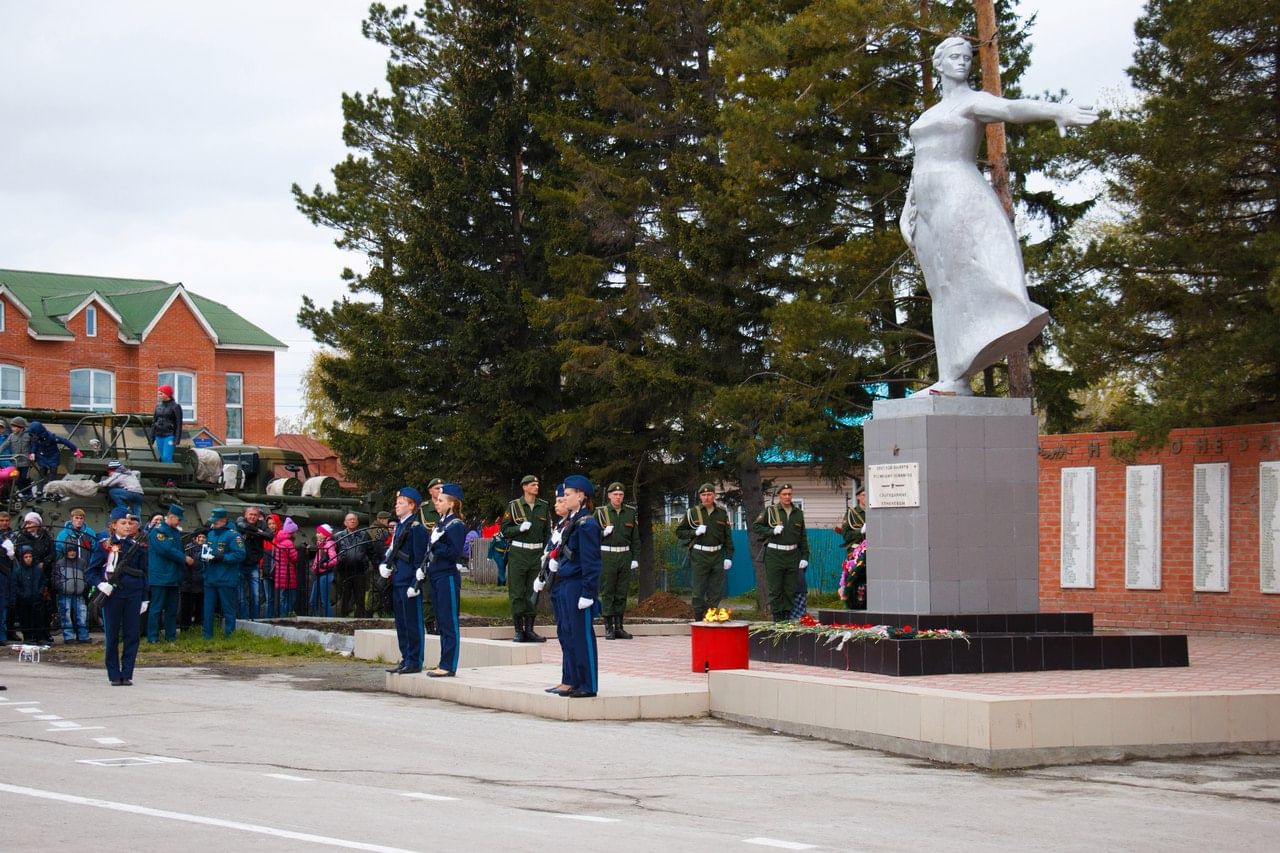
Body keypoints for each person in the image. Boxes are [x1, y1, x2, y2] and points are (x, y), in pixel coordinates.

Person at [899, 35, 1098, 395]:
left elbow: (1012, 109)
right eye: (954, 57)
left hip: (957, 194)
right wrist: (907, 208)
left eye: (967, 57)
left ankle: (963, 366)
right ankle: (950, 378)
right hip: (924, 203)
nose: (962, 62)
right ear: (939, 64)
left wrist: (1055, 111)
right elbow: (919, 163)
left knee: (960, 281)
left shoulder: (974, 101)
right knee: (939, 288)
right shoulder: (928, 115)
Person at [551, 475, 602, 698]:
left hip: (578, 584)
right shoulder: (572, 522)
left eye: (569, 495)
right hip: (565, 583)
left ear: (581, 496)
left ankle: (588, 684)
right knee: (568, 633)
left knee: (582, 635)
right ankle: (571, 679)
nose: (565, 498)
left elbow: (591, 561)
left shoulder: (587, 523)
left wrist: (588, 592)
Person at [87, 507, 149, 685]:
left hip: (133, 594)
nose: (127, 526)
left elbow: (144, 572)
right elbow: (91, 572)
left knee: (132, 635)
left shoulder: (138, 546)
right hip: (112, 595)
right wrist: (101, 584)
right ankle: (114, 674)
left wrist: (145, 596)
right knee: (112, 635)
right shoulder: (104, 546)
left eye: (130, 523)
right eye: (123, 523)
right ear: (113, 525)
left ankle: (127, 673)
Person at [379, 487, 429, 674]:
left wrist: (416, 583)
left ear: (411, 505)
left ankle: (415, 660)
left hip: (409, 580)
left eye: (401, 503)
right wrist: (384, 564)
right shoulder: (400, 526)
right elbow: (392, 551)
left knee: (412, 622)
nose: (396, 506)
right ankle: (405, 657)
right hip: (398, 578)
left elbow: (419, 558)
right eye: (397, 503)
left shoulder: (417, 529)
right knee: (401, 622)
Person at [501, 474, 549, 643]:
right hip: (518, 554)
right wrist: (519, 528)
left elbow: (547, 534)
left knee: (533, 591)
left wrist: (546, 553)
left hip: (536, 554)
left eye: (537, 484)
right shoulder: (513, 507)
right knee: (517, 592)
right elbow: (505, 531)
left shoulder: (543, 506)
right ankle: (518, 630)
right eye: (533, 484)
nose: (536, 487)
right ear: (525, 487)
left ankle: (530, 629)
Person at [423, 483, 466, 677]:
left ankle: (448, 665)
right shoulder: (441, 523)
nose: (437, 504)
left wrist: (435, 545)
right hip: (436, 574)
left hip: (447, 575)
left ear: (451, 503)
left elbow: (453, 552)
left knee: (449, 622)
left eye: (441, 501)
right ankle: (443, 661)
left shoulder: (455, 524)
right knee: (441, 620)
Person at [675, 484, 734, 620]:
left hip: (717, 555)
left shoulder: (722, 513)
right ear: (700, 496)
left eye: (709, 494)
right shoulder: (692, 512)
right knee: (698, 591)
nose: (706, 497)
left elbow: (727, 538)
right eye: (703, 495)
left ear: (714, 495)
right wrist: (694, 532)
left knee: (716, 591)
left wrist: (729, 557)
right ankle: (697, 620)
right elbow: (679, 532)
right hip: (699, 555)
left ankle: (710, 618)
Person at [534, 484, 572, 693]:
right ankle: (566, 678)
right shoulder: (560, 525)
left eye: (561, 500)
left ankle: (570, 679)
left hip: (566, 581)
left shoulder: (573, 525)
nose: (557, 504)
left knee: (569, 633)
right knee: (563, 633)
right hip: (556, 583)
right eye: (557, 500)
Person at [752, 483, 809, 622]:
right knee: (776, 590)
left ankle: (787, 620)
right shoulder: (770, 511)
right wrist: (771, 531)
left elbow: (802, 537)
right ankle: (777, 621)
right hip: (774, 554)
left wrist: (805, 556)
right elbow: (756, 526)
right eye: (784, 494)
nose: (787, 496)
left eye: (790, 493)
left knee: (790, 590)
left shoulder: (798, 513)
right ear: (779, 495)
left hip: (792, 555)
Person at [596, 482, 639, 640]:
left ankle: (619, 626)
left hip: (624, 555)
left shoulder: (630, 512)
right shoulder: (600, 513)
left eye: (621, 495)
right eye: (615, 494)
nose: (618, 497)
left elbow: (635, 538)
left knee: (621, 592)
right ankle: (608, 626)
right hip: (607, 555)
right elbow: (591, 536)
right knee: (608, 592)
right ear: (609, 495)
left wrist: (635, 558)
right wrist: (602, 533)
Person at [146, 503, 190, 643]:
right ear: (171, 517)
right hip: (160, 577)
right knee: (156, 608)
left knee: (172, 610)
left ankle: (170, 636)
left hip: (173, 577)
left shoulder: (175, 532)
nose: (180, 522)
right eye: (179, 519)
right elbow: (166, 550)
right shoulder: (158, 532)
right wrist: (184, 559)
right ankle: (153, 637)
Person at [201, 508, 245, 639]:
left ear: (223, 520)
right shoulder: (211, 534)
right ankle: (207, 635)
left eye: (216, 522)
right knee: (207, 609)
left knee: (228, 609)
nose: (213, 524)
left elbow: (240, 554)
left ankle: (229, 635)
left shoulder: (233, 535)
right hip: (210, 577)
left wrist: (223, 557)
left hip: (226, 577)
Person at [14, 511, 56, 643]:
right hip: (27, 571)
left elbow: (52, 553)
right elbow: (19, 553)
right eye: (26, 522)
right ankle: (29, 634)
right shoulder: (22, 537)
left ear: (37, 524)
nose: (28, 525)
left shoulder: (45, 537)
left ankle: (44, 632)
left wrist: (45, 562)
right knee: (26, 610)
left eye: (31, 522)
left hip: (43, 571)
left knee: (45, 606)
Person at [24, 421, 82, 498]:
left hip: (53, 456)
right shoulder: (36, 439)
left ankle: (51, 491)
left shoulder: (51, 437)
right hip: (42, 456)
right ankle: (39, 491)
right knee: (42, 472)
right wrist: (33, 453)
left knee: (53, 472)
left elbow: (64, 441)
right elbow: (35, 445)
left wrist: (75, 450)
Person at [235, 506, 271, 620]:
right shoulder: (240, 521)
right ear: (246, 515)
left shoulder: (262, 524)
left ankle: (255, 619)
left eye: (255, 515)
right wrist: (258, 532)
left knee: (255, 595)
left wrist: (255, 531)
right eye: (250, 514)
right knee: (241, 596)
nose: (252, 516)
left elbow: (269, 535)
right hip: (240, 563)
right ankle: (243, 620)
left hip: (253, 564)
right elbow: (242, 526)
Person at [334, 512, 372, 617]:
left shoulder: (364, 535)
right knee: (344, 596)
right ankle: (342, 617)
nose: (352, 521)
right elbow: (333, 552)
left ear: (358, 522)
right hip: (344, 570)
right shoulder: (338, 536)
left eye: (354, 519)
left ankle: (359, 619)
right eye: (350, 519)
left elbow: (371, 551)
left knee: (360, 597)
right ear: (345, 522)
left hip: (360, 570)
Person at [53, 540, 91, 643]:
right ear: (65, 551)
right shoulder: (60, 563)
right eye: (69, 550)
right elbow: (56, 578)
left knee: (82, 615)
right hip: (65, 594)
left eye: (74, 550)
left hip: (79, 593)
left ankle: (83, 636)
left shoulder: (82, 562)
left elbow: (87, 575)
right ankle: (68, 637)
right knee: (66, 616)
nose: (72, 552)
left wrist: (84, 586)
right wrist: (62, 587)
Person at [272, 517, 300, 616]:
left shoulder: (279, 541)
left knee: (282, 596)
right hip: (288, 573)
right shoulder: (288, 543)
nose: (296, 533)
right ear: (291, 532)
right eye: (295, 532)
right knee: (290, 596)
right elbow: (295, 557)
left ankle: (281, 614)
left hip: (280, 573)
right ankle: (287, 614)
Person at [0, 416, 34, 497]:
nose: (12, 428)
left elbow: (33, 446)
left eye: (14, 426)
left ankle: (28, 494)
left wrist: (33, 454)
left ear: (21, 427)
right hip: (15, 462)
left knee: (25, 479)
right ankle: (23, 494)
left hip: (25, 462)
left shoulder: (29, 435)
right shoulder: (12, 436)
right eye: (12, 426)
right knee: (16, 479)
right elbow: (4, 445)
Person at [180, 527, 208, 628]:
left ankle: (198, 625)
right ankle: (185, 626)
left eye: (203, 537)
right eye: (199, 537)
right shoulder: (188, 548)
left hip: (202, 583)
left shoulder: (207, 549)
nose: (201, 539)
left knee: (200, 607)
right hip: (189, 582)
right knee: (187, 607)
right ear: (195, 538)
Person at [309, 523, 338, 617]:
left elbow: (334, 560)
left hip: (325, 574)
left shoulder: (329, 544)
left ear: (324, 534)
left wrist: (324, 565)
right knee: (313, 600)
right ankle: (317, 618)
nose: (317, 534)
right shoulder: (321, 544)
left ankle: (328, 620)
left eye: (319, 532)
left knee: (325, 600)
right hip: (319, 574)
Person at [152, 384, 183, 463]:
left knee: (166, 457)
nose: (159, 395)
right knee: (162, 458)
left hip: (169, 436)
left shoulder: (175, 407)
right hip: (158, 435)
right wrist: (152, 438)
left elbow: (179, 424)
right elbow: (154, 422)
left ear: (167, 394)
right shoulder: (158, 406)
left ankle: (171, 475)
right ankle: (165, 475)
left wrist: (177, 439)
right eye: (158, 393)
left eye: (161, 393)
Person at [838, 486, 867, 551]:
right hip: (856, 551)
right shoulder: (851, 513)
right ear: (858, 497)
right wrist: (860, 531)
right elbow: (846, 535)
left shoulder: (876, 514)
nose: (866, 497)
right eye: (864, 495)